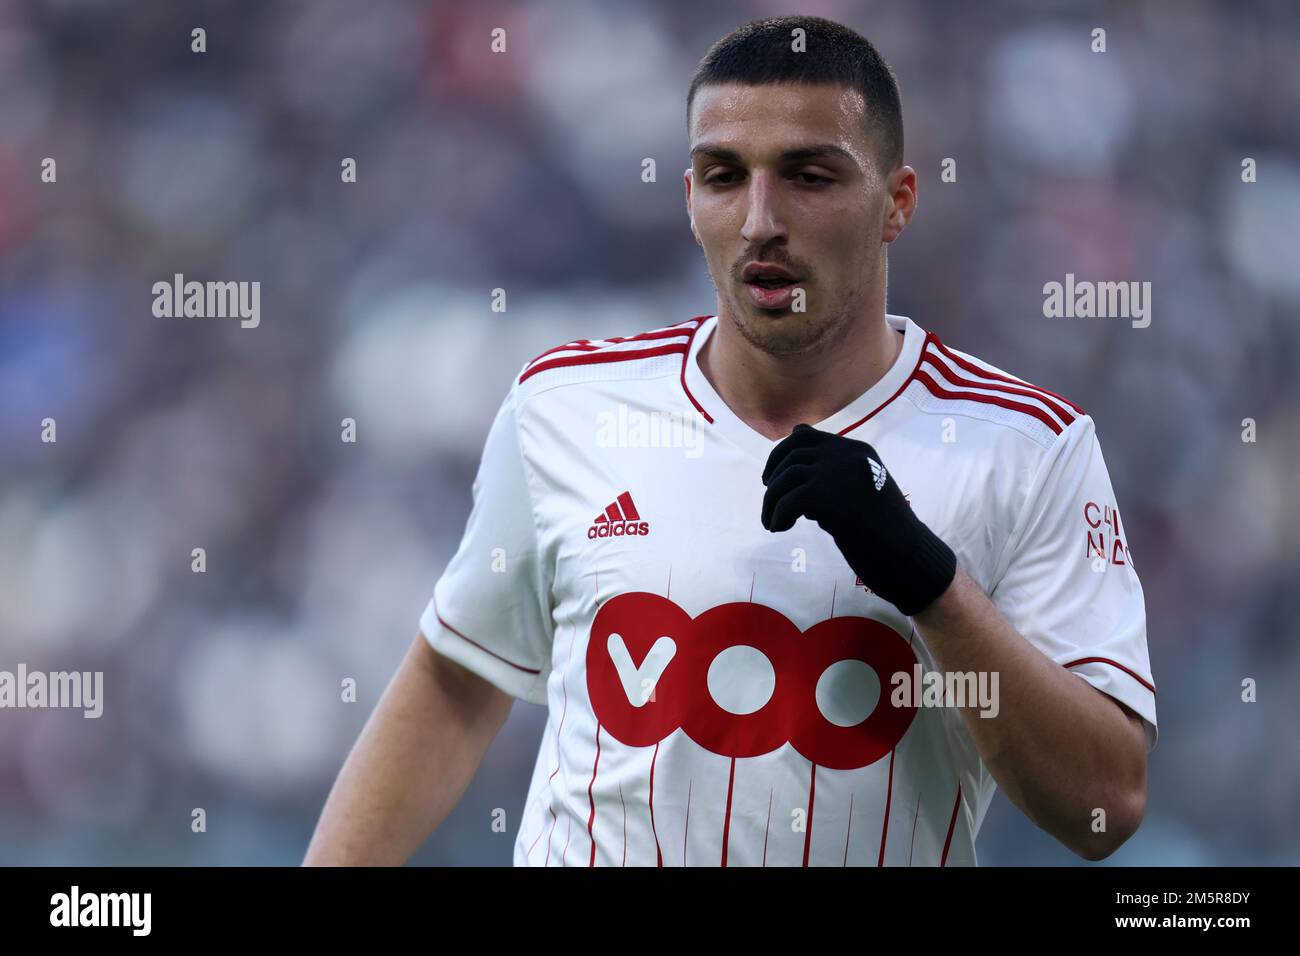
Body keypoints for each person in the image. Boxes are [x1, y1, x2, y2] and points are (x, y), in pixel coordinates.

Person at [305, 14, 1155, 867]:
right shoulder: (566, 407)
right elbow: (457, 677)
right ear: (688, 199)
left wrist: (929, 580)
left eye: (808, 176)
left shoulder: (1029, 447)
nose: (759, 221)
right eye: (723, 177)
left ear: (897, 202)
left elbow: (1105, 805)